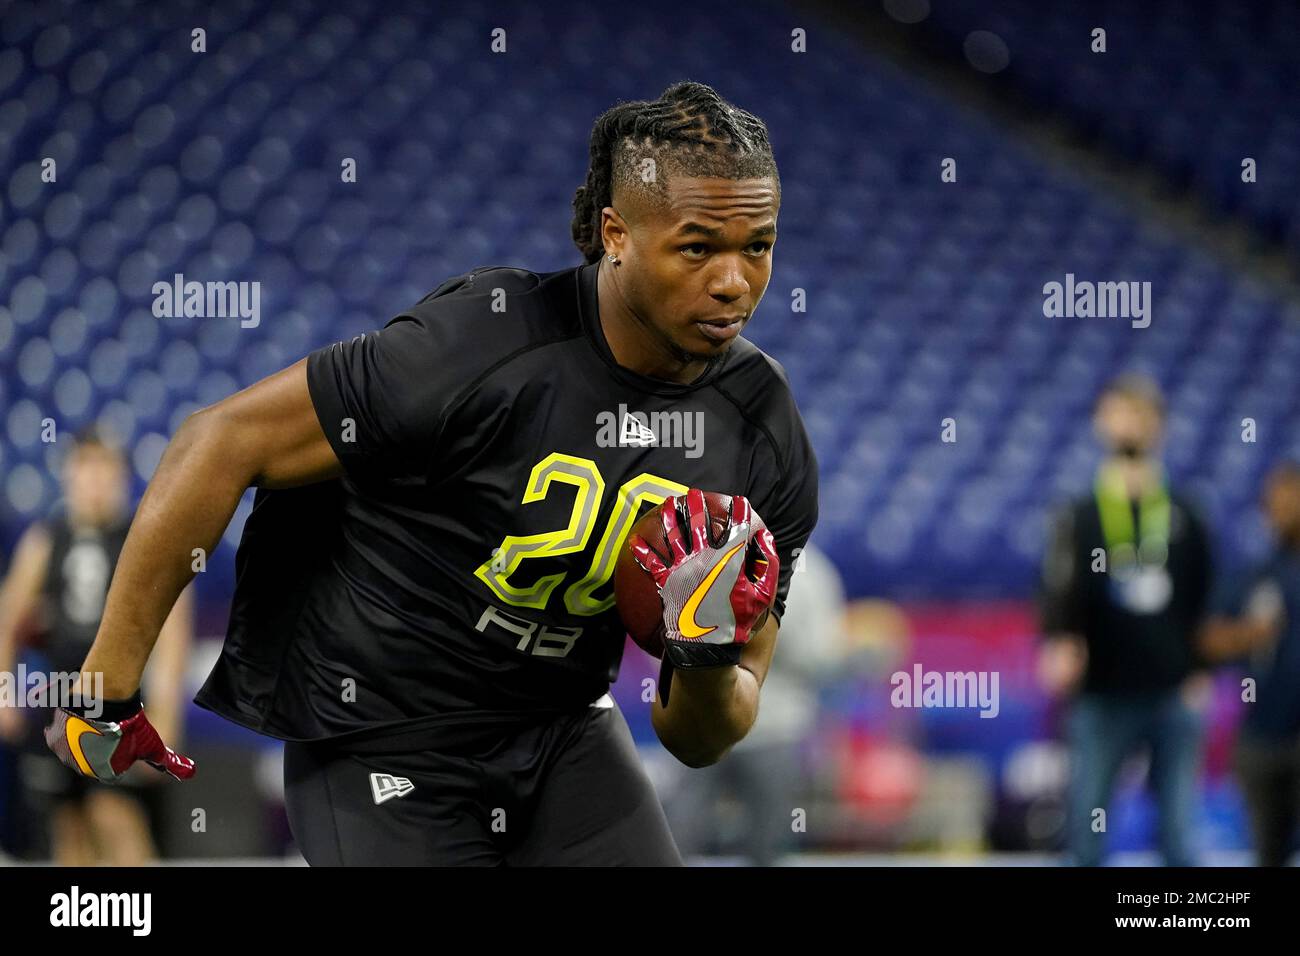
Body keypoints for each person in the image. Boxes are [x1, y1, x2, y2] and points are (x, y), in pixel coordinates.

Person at [44, 81, 820, 866]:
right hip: (382, 728)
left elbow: (697, 741)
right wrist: (106, 685)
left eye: (756, 246)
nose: (733, 282)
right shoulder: (485, 344)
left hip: (560, 729)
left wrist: (707, 650)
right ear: (616, 234)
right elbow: (217, 442)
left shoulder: (764, 434)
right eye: (698, 247)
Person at [1037, 374, 1213, 866]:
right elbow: (1056, 589)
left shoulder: (1185, 513)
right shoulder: (1079, 514)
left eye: (1142, 413)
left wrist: (1200, 669)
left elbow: (1205, 598)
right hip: (1101, 693)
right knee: (1087, 831)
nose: (1131, 424)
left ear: (1159, 425)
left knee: (1179, 833)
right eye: (1121, 412)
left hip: (1172, 691)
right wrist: (1058, 641)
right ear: (1101, 422)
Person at [0, 429, 193, 864]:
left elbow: (173, 632)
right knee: (68, 828)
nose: (95, 480)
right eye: (85, 467)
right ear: (69, 475)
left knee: (117, 817)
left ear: (122, 476)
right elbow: (8, 616)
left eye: (105, 467)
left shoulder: (143, 541)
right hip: (59, 703)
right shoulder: (46, 539)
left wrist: (164, 717)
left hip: (120, 700)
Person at [661, 540, 845, 864]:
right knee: (676, 835)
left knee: (767, 843)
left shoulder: (810, 572)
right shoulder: (703, 557)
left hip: (774, 728)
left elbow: (819, 656)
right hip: (706, 723)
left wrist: (766, 631)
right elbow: (667, 641)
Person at [1198, 461, 1300, 866]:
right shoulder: (1255, 575)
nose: (1283, 508)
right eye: (1275, 501)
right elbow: (1208, 639)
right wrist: (1250, 634)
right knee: (1267, 853)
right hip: (1260, 735)